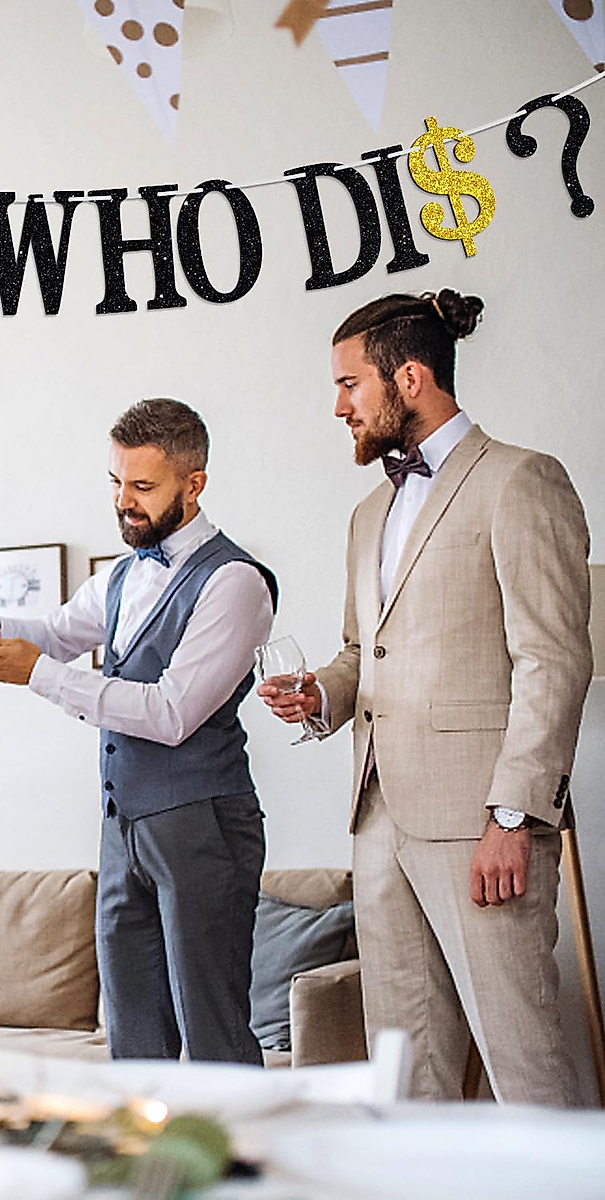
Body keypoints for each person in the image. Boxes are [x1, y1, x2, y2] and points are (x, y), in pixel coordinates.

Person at [260, 289, 592, 1105]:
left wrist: (514, 816)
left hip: (481, 827)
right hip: (378, 825)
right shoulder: (368, 512)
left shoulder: (521, 481)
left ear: (410, 377)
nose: (338, 405)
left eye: (350, 385)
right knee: (405, 1076)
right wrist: (320, 697)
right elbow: (357, 653)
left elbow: (553, 662)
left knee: (525, 1062)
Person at [0, 399, 277, 1062]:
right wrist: (1, 631)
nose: (123, 502)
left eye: (142, 487)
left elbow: (171, 713)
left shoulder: (235, 582)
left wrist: (40, 676)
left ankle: (240, 1160)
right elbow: (56, 632)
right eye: (115, 482)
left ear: (193, 486)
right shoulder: (119, 575)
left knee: (213, 1029)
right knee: (131, 1031)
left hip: (203, 825)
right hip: (121, 829)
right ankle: (140, 1163)